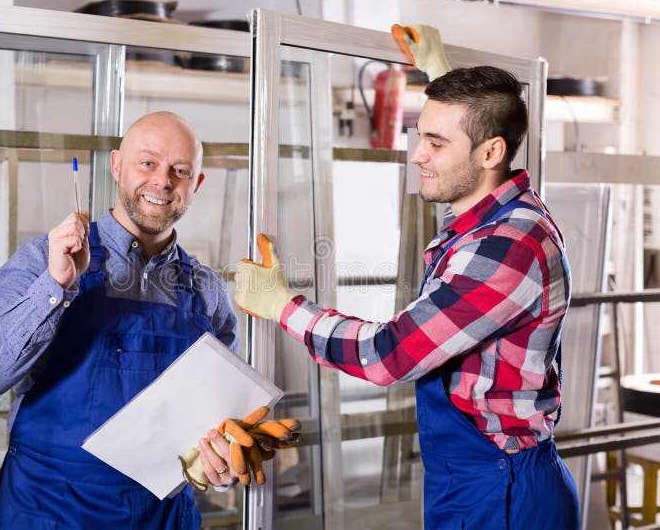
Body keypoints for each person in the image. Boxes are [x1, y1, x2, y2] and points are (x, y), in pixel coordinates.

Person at [234, 66, 580, 529]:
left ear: (491, 151)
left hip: (503, 493)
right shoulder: (486, 219)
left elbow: (389, 353)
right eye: (420, 136)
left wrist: (282, 305)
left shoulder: (507, 246)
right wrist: (443, 74)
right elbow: (476, 124)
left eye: (436, 143)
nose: (417, 155)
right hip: (474, 483)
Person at [0, 111, 239, 529]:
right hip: (49, 515)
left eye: (180, 171)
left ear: (195, 185)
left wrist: (220, 467)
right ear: (116, 165)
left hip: (162, 520)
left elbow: (218, 425)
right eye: (148, 163)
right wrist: (56, 285)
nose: (162, 181)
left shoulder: (207, 291)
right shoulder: (43, 261)